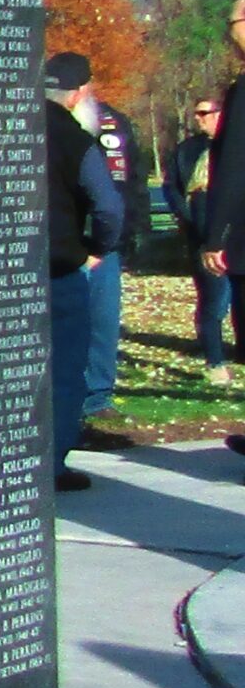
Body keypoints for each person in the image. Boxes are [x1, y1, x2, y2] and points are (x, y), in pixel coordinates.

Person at [44, 62, 123, 493]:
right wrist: (100, 248)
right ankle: (52, 462)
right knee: (65, 369)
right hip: (58, 270)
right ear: (79, 94)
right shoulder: (76, 140)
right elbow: (108, 207)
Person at [66, 60, 147, 437]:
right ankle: (64, 401)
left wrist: (127, 236)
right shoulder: (38, 122)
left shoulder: (114, 124)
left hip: (103, 242)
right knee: (63, 324)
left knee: (102, 323)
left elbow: (132, 183)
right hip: (61, 243)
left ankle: (97, 397)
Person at [164, 96, 233, 384]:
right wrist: (188, 218)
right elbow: (172, 188)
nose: (199, 119)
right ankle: (215, 362)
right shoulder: (187, 150)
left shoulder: (233, 147)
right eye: (196, 114)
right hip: (202, 233)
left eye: (205, 113)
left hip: (234, 233)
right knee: (214, 300)